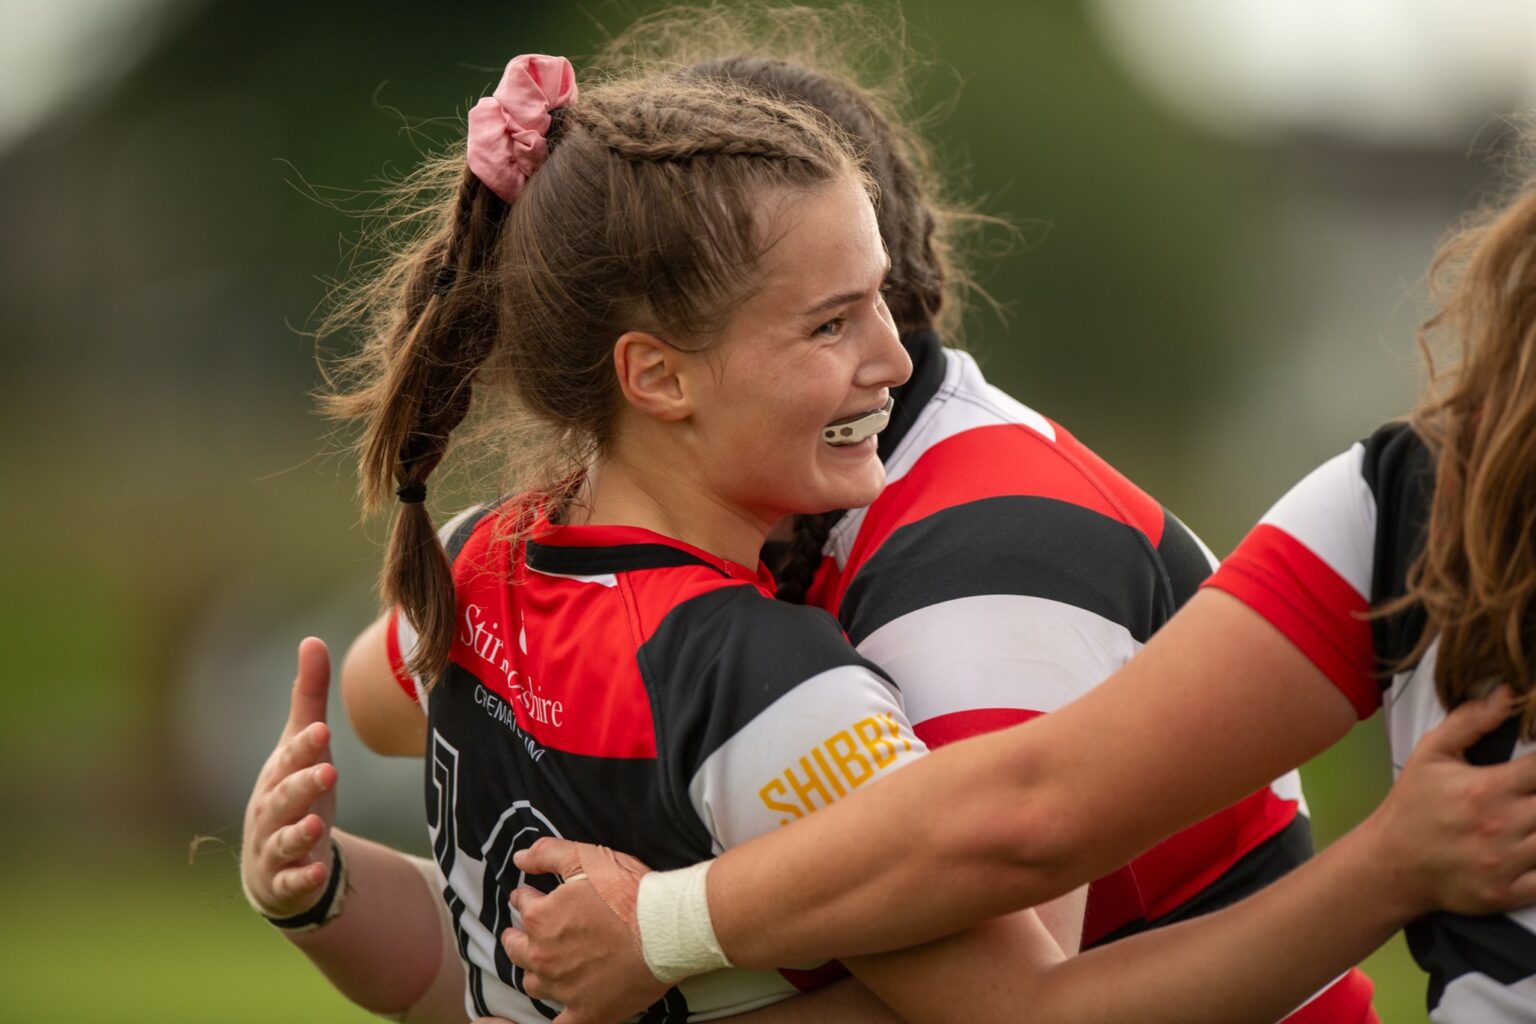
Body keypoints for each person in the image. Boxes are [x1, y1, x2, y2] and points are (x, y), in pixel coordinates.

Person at [240, 44, 1536, 1024]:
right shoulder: (723, 641)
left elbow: (393, 704)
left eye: (881, 311)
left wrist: (653, 930)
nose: (889, 351)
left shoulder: (978, 550)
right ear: (656, 373)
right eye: (828, 320)